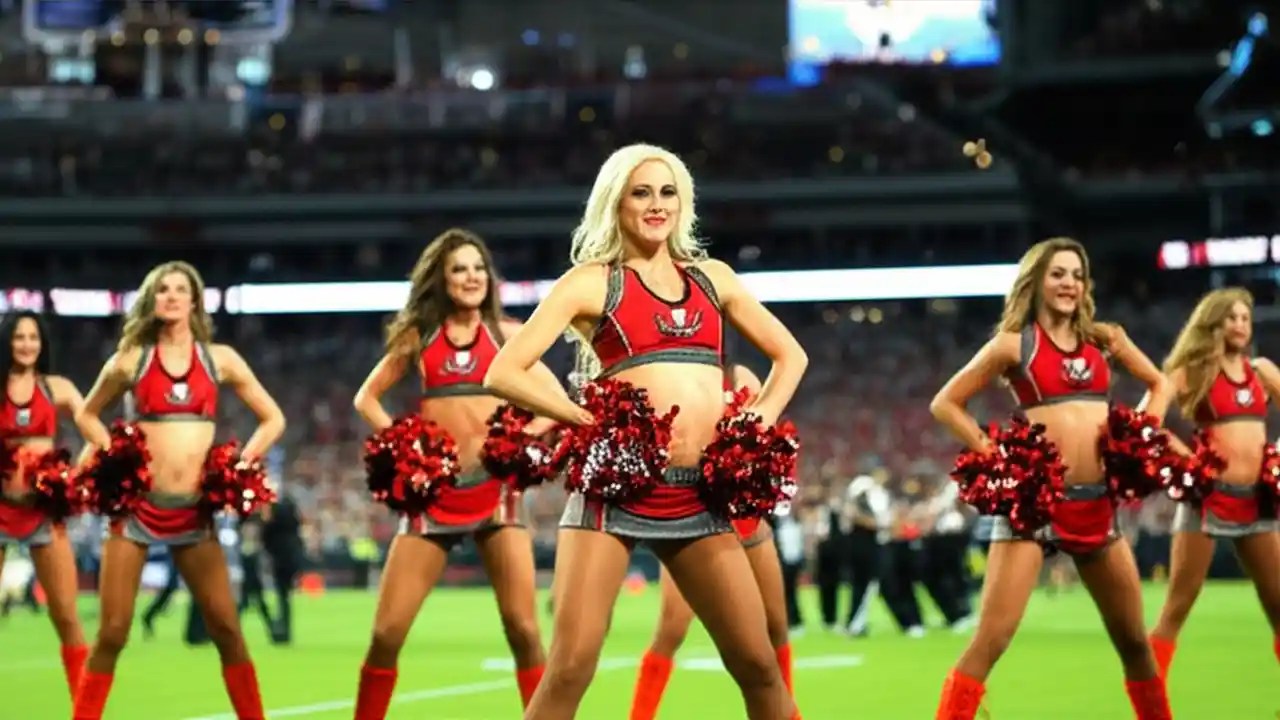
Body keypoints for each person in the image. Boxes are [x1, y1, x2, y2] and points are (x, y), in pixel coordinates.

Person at [484, 143, 808, 720]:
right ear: (616, 204)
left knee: (758, 665)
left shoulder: (714, 279)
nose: (657, 205)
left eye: (668, 192)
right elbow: (504, 370)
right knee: (571, 667)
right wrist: (580, 417)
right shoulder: (593, 282)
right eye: (641, 193)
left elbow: (791, 357)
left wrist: (759, 415)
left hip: (700, 495)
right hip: (618, 490)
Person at [928, 237, 1173, 720]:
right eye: (1058, 273)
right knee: (991, 639)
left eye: (1077, 275)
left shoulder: (1106, 340)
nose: (1069, 284)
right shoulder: (1013, 344)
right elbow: (945, 403)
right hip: (1036, 506)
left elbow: (1160, 384)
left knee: (1134, 644)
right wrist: (993, 452)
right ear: (1036, 281)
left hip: (1098, 505)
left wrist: (1140, 434)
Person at [351, 228, 556, 720]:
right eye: (459, 269)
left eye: (478, 268)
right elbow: (366, 399)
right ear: (442, 280)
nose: (471, 277)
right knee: (385, 634)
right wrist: (405, 446)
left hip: (496, 494)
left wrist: (519, 439)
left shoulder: (507, 335)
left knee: (524, 629)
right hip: (435, 496)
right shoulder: (419, 337)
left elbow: (554, 402)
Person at [72, 260, 286, 720]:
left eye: (180, 289)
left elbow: (273, 418)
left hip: (195, 514)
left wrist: (239, 465)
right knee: (112, 632)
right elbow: (87, 414)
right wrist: (111, 452)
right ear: (152, 301)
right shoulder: (131, 359)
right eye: (162, 290)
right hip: (136, 511)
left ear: (195, 300)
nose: (171, 296)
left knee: (227, 628)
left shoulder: (220, 359)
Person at [629, 361, 797, 720]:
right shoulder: (669, 372)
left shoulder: (740, 377)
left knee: (776, 627)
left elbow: (764, 441)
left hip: (746, 522)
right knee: (671, 629)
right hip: (692, 521)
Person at [1145, 287, 1280, 678]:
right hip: (1207, 499)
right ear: (1213, 324)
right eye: (1231, 318)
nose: (1240, 325)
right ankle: (1150, 703)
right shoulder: (1192, 373)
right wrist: (1185, 455)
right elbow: (1146, 420)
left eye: (1245, 318)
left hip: (1257, 500)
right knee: (1177, 607)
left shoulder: (1262, 371)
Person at [0, 310, 92, 698]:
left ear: (42, 344)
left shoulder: (57, 389)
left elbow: (100, 435)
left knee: (66, 615)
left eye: (33, 337)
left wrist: (74, 475)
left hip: (43, 512)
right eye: (18, 337)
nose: (26, 344)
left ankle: (86, 708)